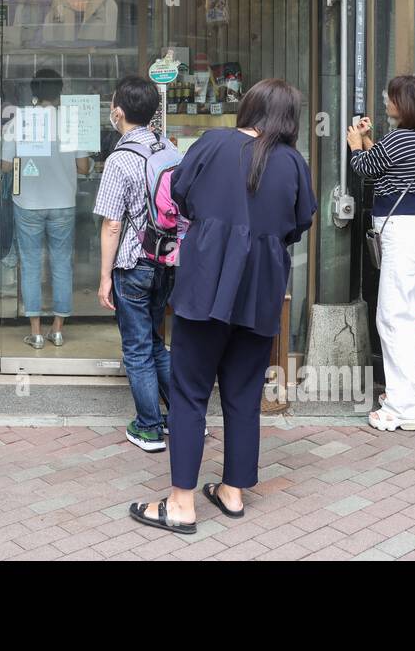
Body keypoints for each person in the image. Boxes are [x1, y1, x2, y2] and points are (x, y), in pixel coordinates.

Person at [129, 79, 315, 534]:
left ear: (249, 107)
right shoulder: (293, 162)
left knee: (191, 394)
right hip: (262, 291)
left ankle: (181, 504)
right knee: (243, 393)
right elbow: (300, 221)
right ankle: (232, 492)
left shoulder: (213, 143)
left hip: (207, 285)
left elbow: (178, 194)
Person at [346, 74, 415, 431]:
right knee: (408, 319)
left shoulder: (400, 137)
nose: (387, 99)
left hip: (400, 234)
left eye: (392, 96)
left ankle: (403, 409)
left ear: (406, 105)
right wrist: (369, 141)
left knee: (391, 319)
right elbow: (386, 163)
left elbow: (366, 169)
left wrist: (356, 144)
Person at [94, 76, 174, 452]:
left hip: (134, 262)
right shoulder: (170, 149)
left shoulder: (120, 159)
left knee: (138, 347)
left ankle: (148, 427)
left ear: (119, 112)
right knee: (156, 341)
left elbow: (112, 224)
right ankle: (181, 418)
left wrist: (104, 277)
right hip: (168, 259)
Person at [0, 70, 92, 349]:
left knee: (30, 265)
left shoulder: (19, 121)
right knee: (62, 263)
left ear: (34, 91)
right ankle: (58, 330)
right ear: (60, 92)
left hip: (27, 203)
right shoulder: (71, 123)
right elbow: (84, 167)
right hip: (63, 203)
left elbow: (5, 166)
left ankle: (36, 332)